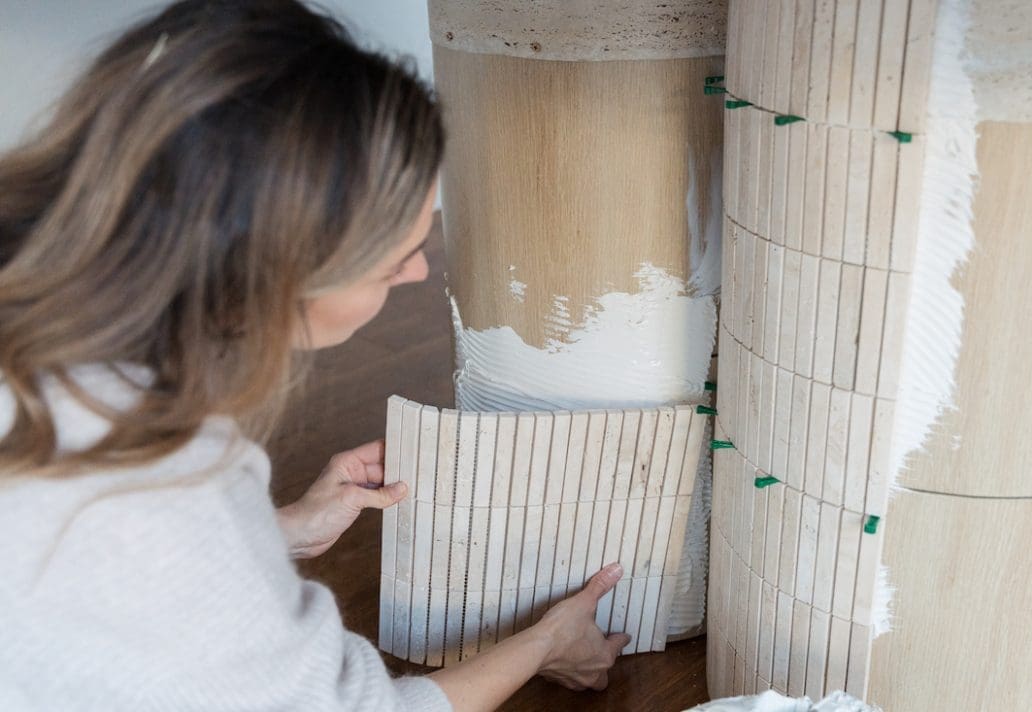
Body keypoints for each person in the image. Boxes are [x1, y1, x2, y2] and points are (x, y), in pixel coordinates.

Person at [0, 2, 630, 710]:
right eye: (391, 264)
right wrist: (544, 644)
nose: (421, 273)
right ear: (276, 278)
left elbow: (104, 583)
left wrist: (279, 531)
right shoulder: (149, 485)